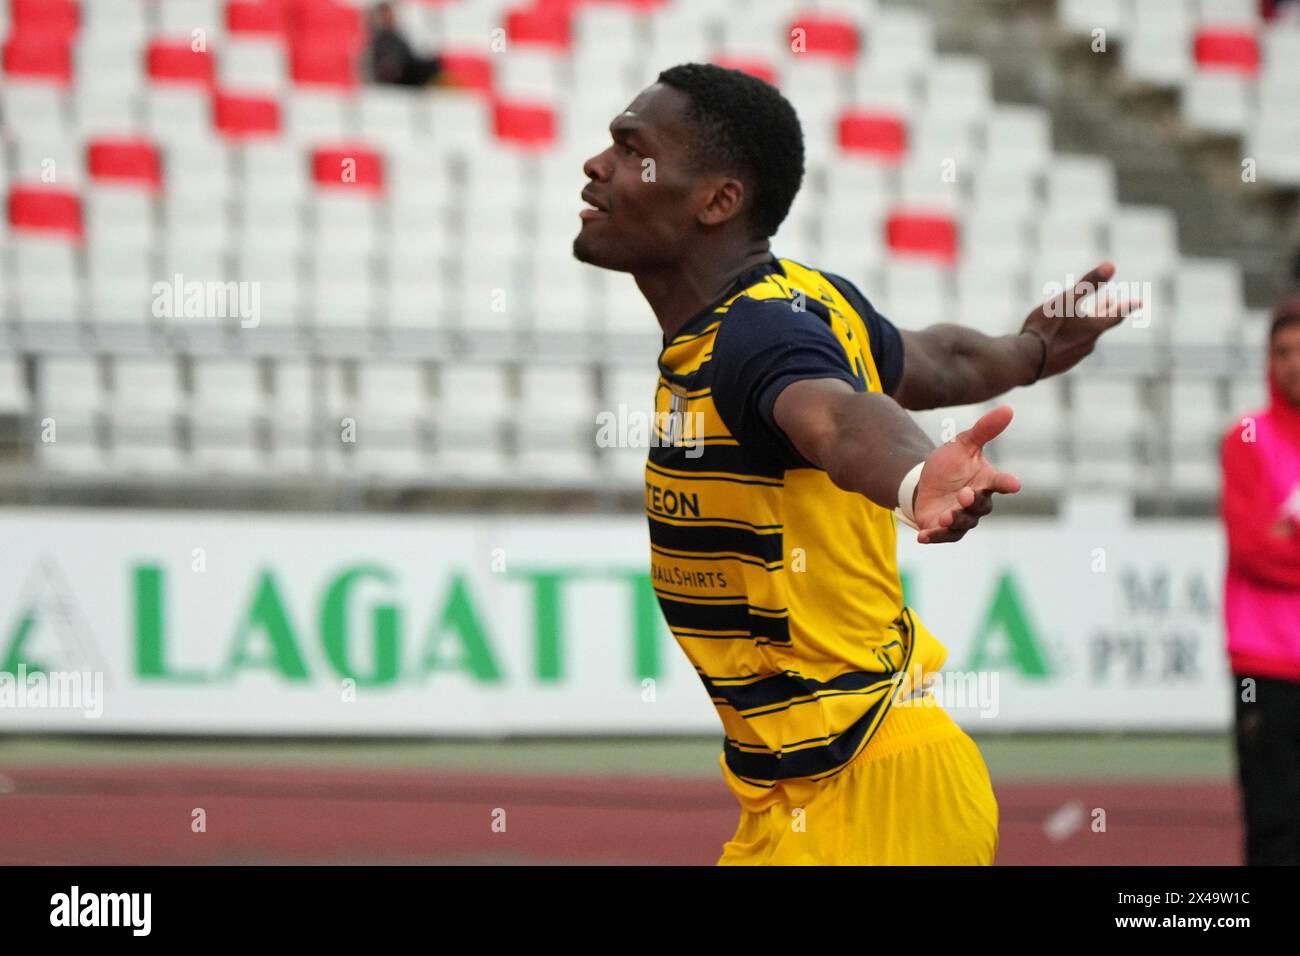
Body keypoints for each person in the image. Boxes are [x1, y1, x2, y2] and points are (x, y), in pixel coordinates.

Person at [572, 63, 1138, 865]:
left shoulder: (755, 336)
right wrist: (1033, 348)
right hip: (817, 792)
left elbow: (838, 418)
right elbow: (935, 362)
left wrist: (914, 479)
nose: (598, 166)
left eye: (632, 151)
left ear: (718, 201)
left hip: (866, 800)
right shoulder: (808, 299)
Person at [1221, 297, 1300, 866]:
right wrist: (1274, 540)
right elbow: (1251, 549)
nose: (1295, 363)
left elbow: (1274, 548)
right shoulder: (1246, 437)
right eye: (1283, 352)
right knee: (1274, 822)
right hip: (1265, 665)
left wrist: (1289, 536)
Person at [366, 2, 442, 88]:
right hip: (394, 76)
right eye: (385, 15)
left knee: (433, 63)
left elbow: (409, 56)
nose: (389, 18)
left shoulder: (398, 36)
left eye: (390, 14)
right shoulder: (379, 40)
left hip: (406, 71)